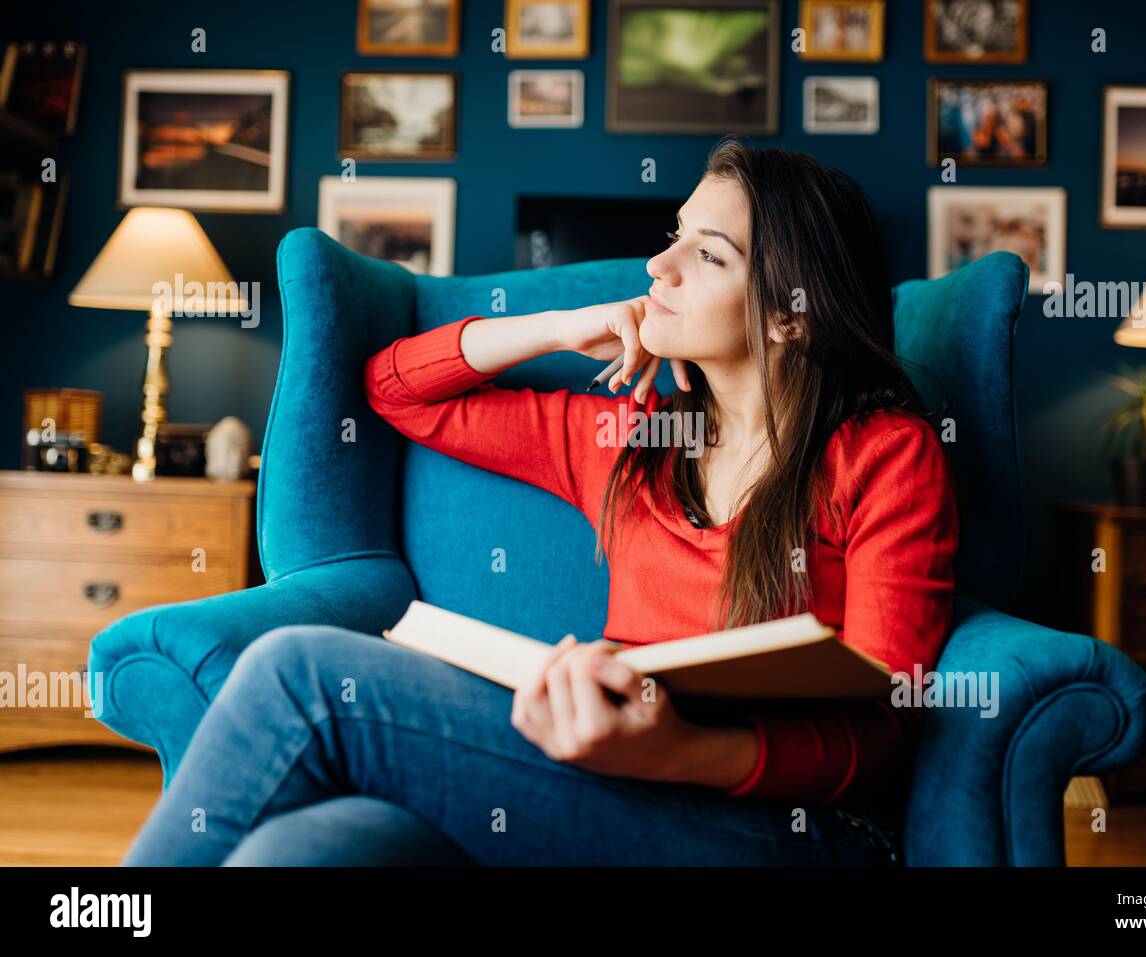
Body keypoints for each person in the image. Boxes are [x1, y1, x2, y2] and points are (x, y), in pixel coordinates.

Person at [122, 136, 959, 867]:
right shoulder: (632, 444)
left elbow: (889, 730)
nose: (658, 268)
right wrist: (557, 326)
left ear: (792, 316)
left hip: (797, 828)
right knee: (312, 845)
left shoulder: (885, 453)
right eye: (674, 236)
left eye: (708, 256)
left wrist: (679, 751)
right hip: (615, 786)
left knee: (298, 672)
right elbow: (394, 390)